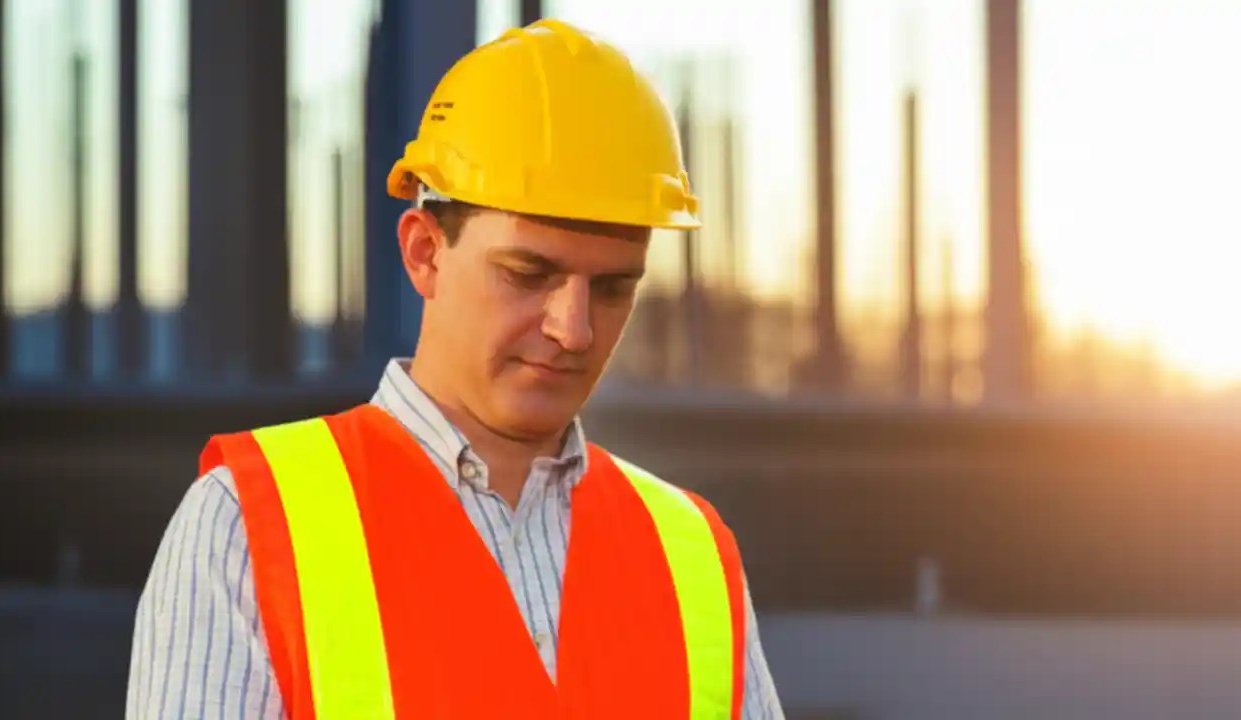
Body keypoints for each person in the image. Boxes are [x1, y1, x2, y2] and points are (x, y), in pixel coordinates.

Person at [126, 18, 782, 719]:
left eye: (615, 286)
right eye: (529, 273)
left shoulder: (693, 560)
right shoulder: (247, 527)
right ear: (424, 252)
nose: (575, 328)